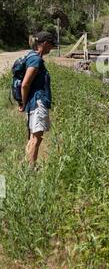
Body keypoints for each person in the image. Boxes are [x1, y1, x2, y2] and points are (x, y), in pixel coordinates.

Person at [19, 31, 57, 167]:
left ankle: (26, 165)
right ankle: (30, 170)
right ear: (45, 44)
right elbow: (25, 84)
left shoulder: (31, 56)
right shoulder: (35, 60)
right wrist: (23, 103)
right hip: (37, 101)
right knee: (37, 138)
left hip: (33, 102)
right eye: (51, 45)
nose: (51, 49)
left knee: (32, 136)